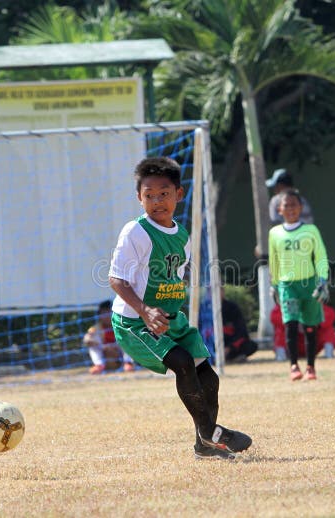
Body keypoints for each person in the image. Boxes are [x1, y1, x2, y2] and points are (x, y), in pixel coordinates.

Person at [109, 156, 251, 460]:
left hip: (171, 320)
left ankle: (204, 447)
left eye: (164, 193)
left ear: (179, 194)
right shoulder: (135, 232)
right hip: (135, 322)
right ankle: (209, 432)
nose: (156, 201)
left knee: (209, 378)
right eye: (149, 195)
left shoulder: (183, 236)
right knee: (183, 363)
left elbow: (173, 276)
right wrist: (146, 310)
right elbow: (116, 279)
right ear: (139, 197)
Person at [268, 189, 329, 381]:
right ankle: (294, 366)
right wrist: (274, 284)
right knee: (291, 325)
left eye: (294, 204)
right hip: (287, 285)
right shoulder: (275, 233)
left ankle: (311, 367)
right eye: (286, 205)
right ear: (279, 209)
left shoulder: (311, 230)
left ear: (301, 207)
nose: (290, 209)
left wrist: (323, 280)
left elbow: (320, 256)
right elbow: (273, 260)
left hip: (309, 283)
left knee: (310, 327)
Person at [84, 300, 135, 374]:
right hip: (104, 355)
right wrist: (99, 345)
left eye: (109, 312)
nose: (107, 316)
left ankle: (128, 363)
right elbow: (86, 340)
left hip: (119, 354)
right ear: (99, 315)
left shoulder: (121, 325)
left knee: (127, 339)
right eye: (104, 313)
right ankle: (99, 365)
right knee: (92, 343)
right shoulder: (95, 328)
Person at [271, 303, 335, 360]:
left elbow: (329, 313)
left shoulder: (314, 304)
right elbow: (274, 316)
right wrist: (293, 323)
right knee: (280, 331)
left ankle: (329, 353)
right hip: (292, 341)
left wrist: (315, 323)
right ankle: (281, 356)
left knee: (327, 330)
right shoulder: (288, 303)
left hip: (313, 339)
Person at [220, 287, 258, 363]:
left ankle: (233, 357)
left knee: (250, 346)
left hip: (231, 343)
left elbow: (241, 330)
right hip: (214, 344)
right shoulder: (206, 309)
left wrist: (229, 347)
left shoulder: (232, 307)